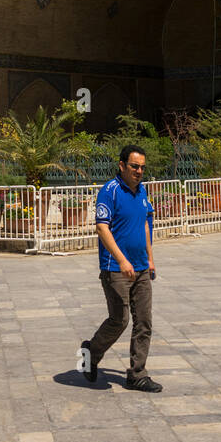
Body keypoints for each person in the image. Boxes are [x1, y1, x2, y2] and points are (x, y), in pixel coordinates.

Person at [80, 145, 160, 392]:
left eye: (142, 167)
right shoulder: (109, 192)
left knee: (144, 322)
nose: (139, 171)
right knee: (119, 320)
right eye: (135, 166)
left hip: (141, 268)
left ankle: (137, 374)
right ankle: (91, 352)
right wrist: (122, 260)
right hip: (115, 268)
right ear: (122, 165)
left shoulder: (142, 191)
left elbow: (146, 225)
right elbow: (102, 228)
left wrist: (150, 258)